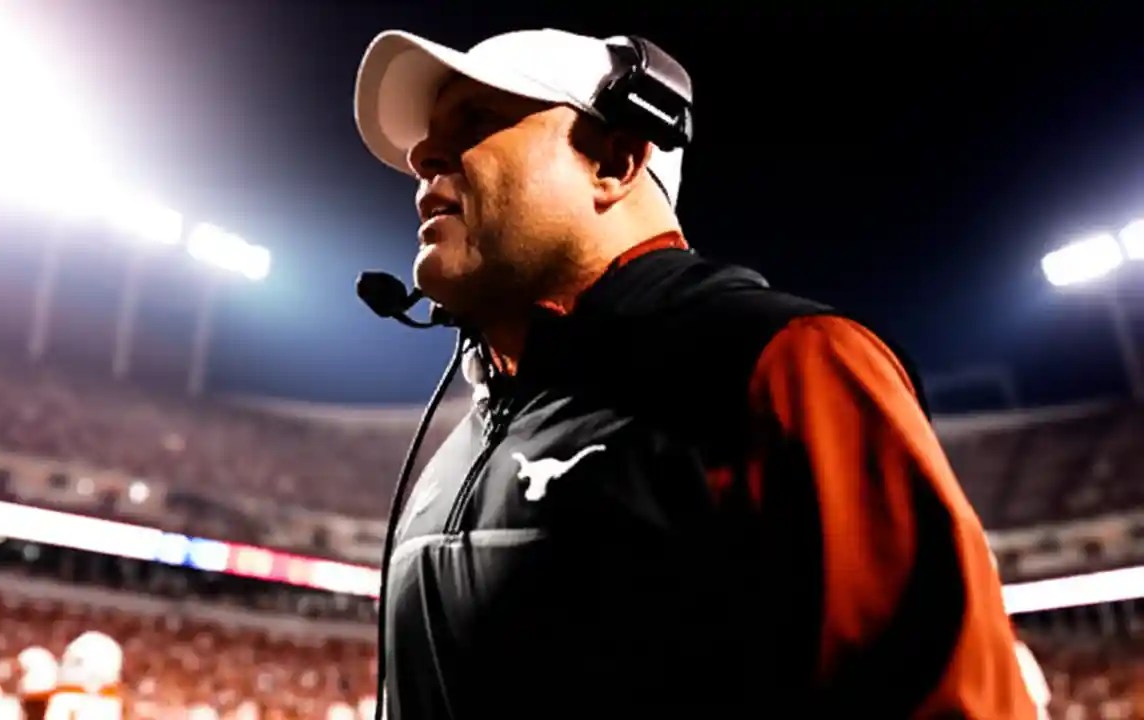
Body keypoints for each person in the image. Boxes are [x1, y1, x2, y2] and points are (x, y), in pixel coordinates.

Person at [353, 27, 1036, 719]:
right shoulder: (453, 453)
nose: (422, 156)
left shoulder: (782, 365)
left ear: (614, 162)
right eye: (429, 140)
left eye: (475, 122)